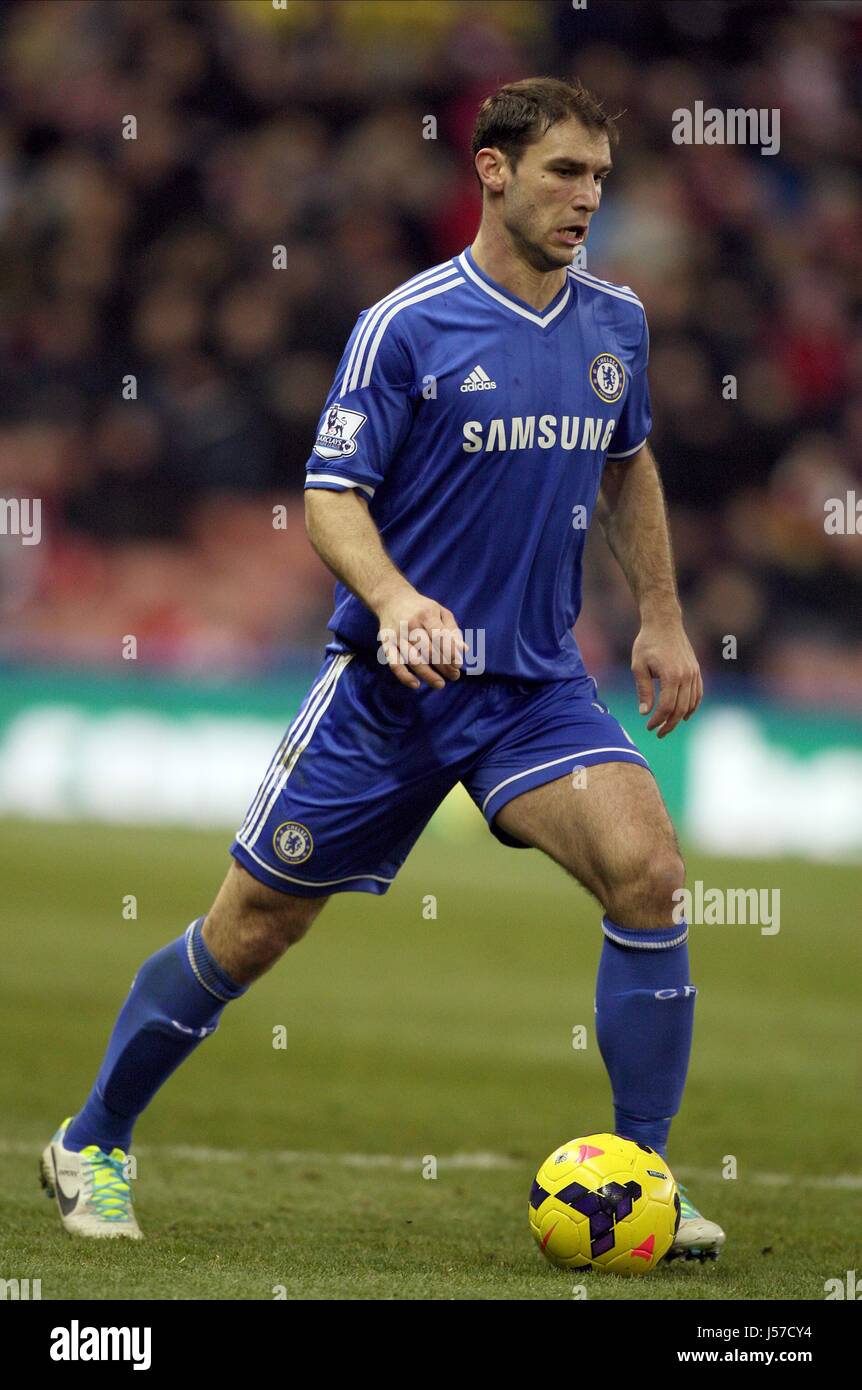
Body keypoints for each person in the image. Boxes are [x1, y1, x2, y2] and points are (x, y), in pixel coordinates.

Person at [42, 76, 723, 1263]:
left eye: (600, 179)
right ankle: (92, 1138)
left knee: (651, 873)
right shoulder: (407, 324)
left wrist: (661, 616)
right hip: (387, 694)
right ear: (494, 170)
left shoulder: (617, 324)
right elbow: (329, 497)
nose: (586, 200)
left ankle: (646, 1177)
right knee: (248, 931)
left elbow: (628, 464)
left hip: (532, 687)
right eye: (565, 172)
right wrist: (399, 599)